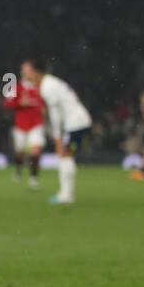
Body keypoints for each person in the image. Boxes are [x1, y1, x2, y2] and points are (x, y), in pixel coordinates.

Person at [21, 61, 91, 205]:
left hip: (75, 123)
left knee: (65, 156)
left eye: (29, 74)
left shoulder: (48, 87)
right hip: (78, 121)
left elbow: (55, 114)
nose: (27, 77)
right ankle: (66, 193)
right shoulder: (51, 83)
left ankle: (66, 195)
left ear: (36, 73)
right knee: (67, 155)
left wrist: (57, 137)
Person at [3, 77, 44, 189]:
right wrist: (20, 103)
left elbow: (46, 102)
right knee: (19, 152)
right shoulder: (16, 86)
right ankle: (18, 171)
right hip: (20, 125)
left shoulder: (40, 87)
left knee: (35, 150)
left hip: (36, 124)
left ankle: (33, 178)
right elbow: (7, 104)